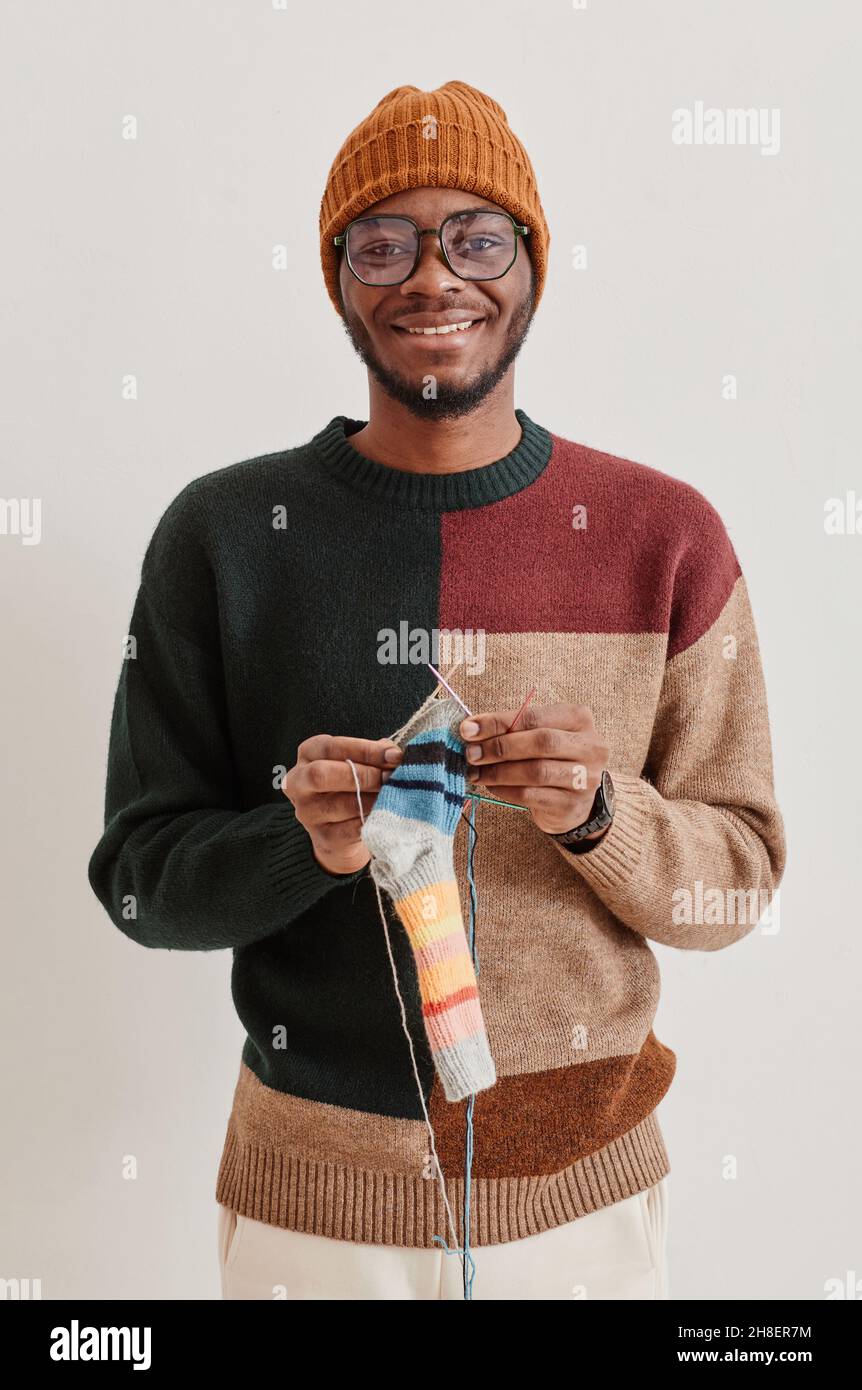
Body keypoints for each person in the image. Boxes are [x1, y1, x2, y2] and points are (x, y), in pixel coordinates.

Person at [87, 81, 786, 1301]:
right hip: (315, 1213)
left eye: (475, 236)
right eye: (382, 243)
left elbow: (737, 891)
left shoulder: (663, 536)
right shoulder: (224, 535)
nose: (432, 278)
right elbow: (144, 889)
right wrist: (304, 843)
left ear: (532, 265)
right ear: (337, 276)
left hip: (586, 1207)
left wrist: (599, 816)